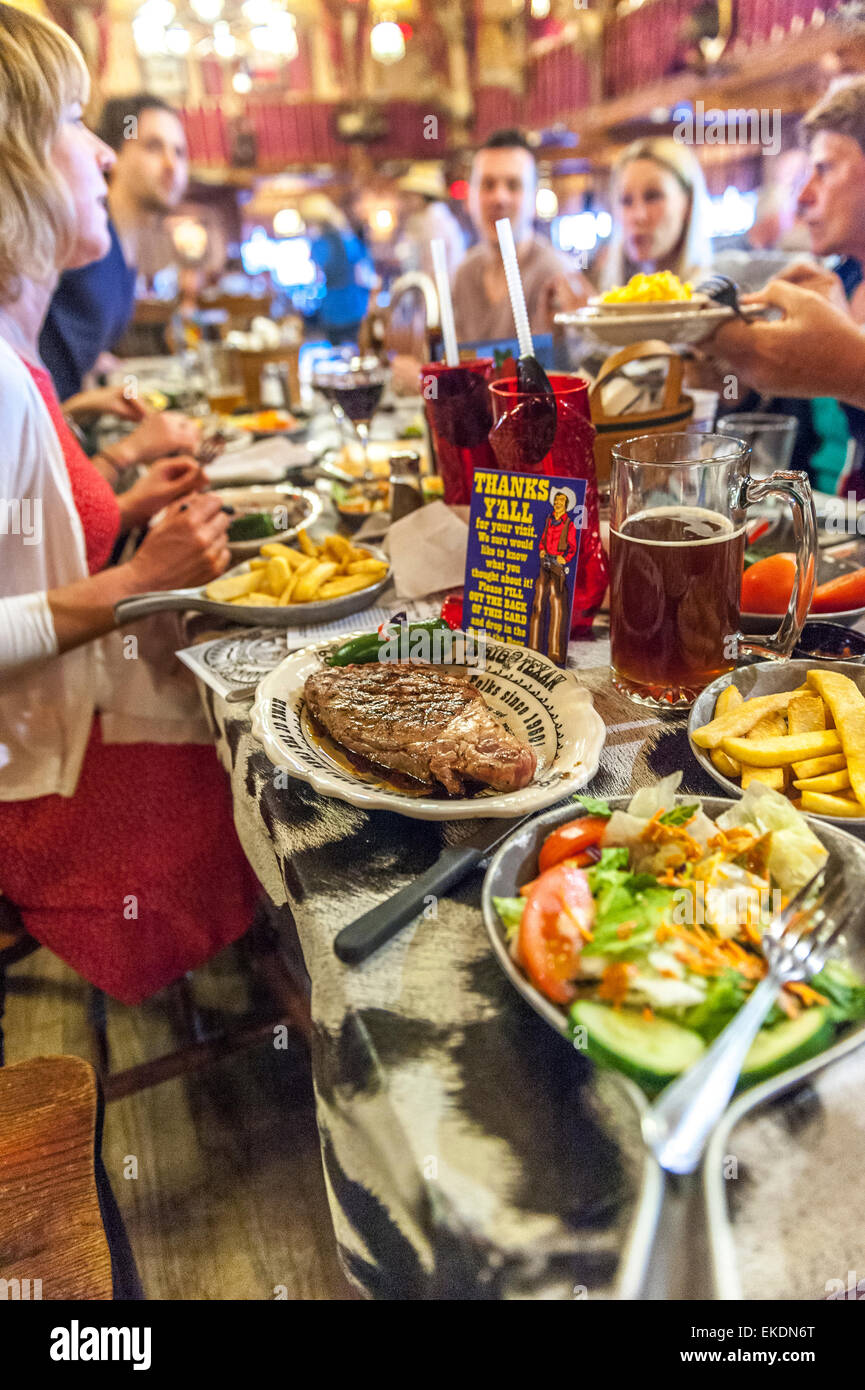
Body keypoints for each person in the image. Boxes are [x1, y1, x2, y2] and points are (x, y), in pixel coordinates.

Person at [0, 4, 258, 1005]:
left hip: (52, 732)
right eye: (74, 123)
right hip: (37, 785)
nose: (102, 157)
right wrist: (138, 582)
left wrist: (122, 498)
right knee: (279, 775)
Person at [39, 92, 189, 400]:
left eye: (180, 152)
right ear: (113, 154)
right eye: (153, 146)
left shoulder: (125, 246)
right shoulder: (84, 235)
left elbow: (63, 343)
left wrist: (96, 365)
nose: (171, 165)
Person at [451, 129, 588, 342]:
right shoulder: (464, 275)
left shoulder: (556, 274)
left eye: (513, 185)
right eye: (488, 184)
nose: (499, 198)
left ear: (534, 199)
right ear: (470, 199)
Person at [599, 137, 714, 292]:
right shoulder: (605, 293)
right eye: (626, 200)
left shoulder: (726, 285)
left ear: (688, 205)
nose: (638, 216)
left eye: (653, 196)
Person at [301, 194, 375, 346]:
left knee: (338, 353)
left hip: (335, 307)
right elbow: (364, 274)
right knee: (356, 351)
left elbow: (318, 276)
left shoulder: (320, 242)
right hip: (355, 304)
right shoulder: (348, 237)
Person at [527, 490, 578, 667]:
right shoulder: (549, 520)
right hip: (544, 563)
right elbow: (543, 539)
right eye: (556, 501)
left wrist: (565, 558)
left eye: (561, 502)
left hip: (557, 565)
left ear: (566, 505)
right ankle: (532, 647)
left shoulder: (569, 524)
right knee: (537, 604)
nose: (557, 504)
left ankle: (555, 652)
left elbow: (572, 547)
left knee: (557, 606)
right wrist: (541, 549)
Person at [395, 163, 465, 279]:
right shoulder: (420, 218)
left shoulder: (435, 220)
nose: (406, 200)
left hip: (441, 290)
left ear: (422, 196)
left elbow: (435, 267)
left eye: (411, 195)